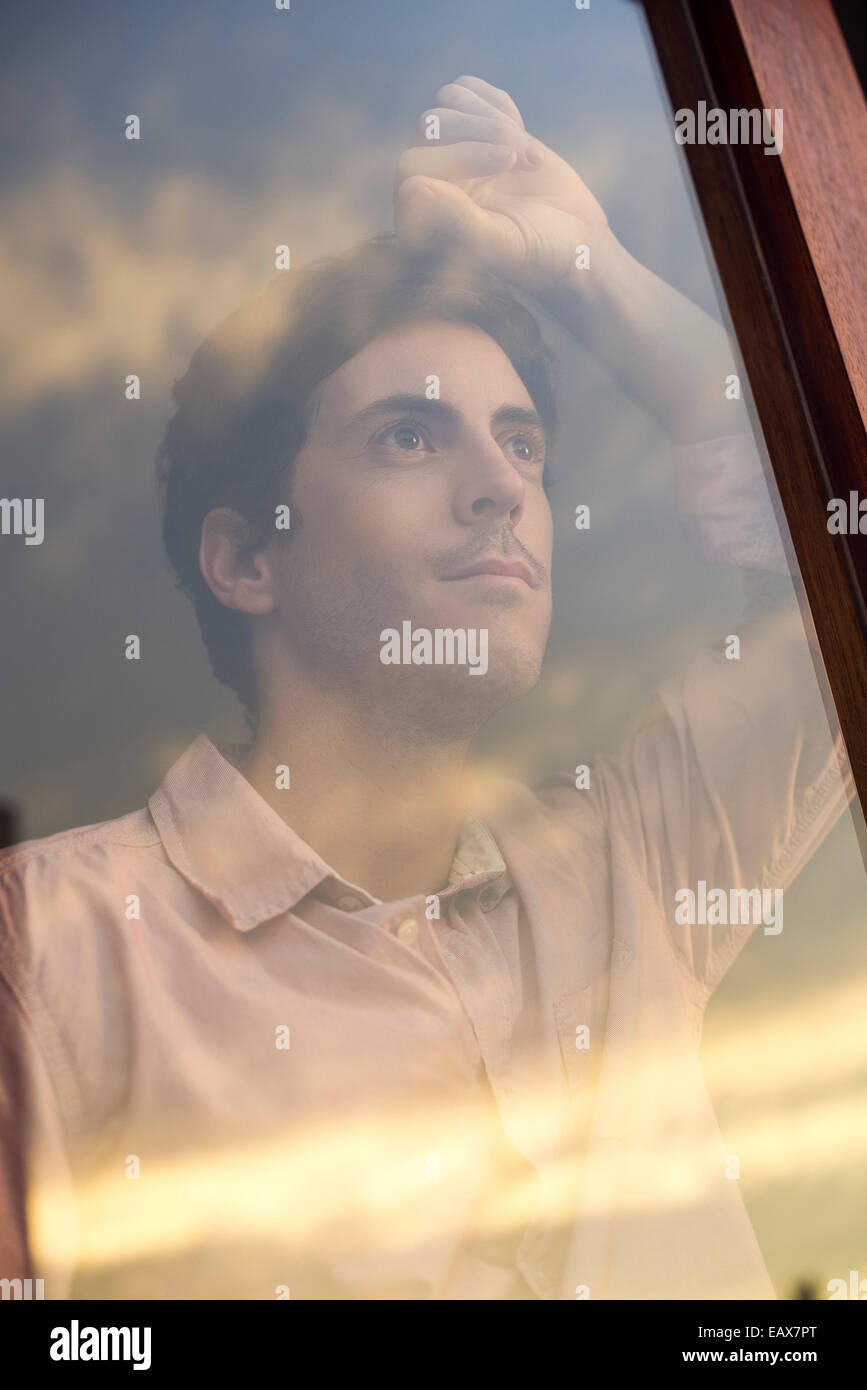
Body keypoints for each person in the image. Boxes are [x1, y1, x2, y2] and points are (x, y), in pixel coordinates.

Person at [0, 76, 852, 1300]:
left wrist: (590, 269)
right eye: (409, 434)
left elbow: (839, 542)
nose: (501, 485)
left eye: (521, 441)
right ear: (248, 558)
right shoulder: (54, 949)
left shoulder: (634, 864)